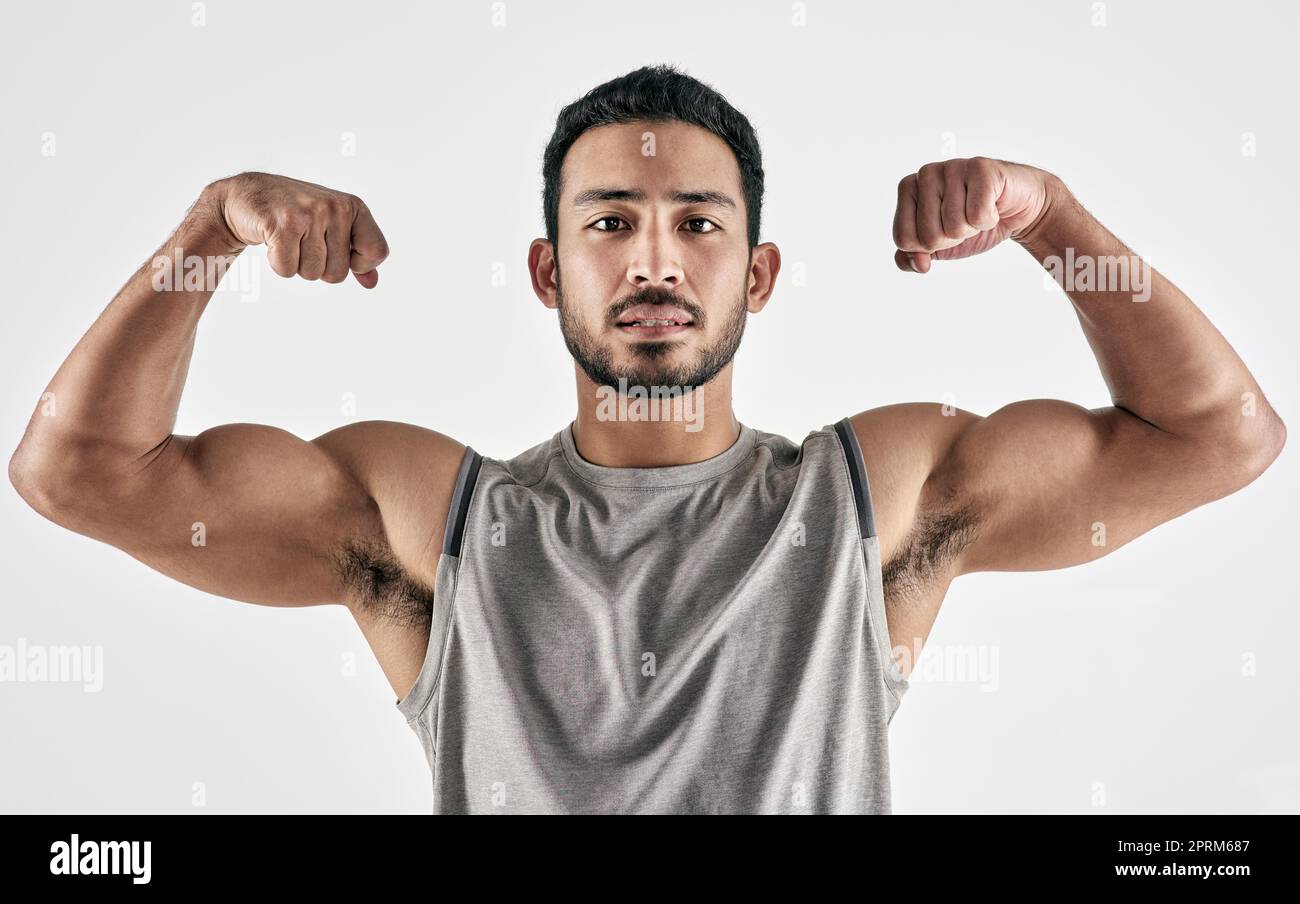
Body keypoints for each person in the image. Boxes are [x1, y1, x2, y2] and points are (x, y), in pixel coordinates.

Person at [9, 64, 1285, 814]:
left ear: (762, 273)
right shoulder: (428, 517)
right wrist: (210, 229)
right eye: (611, 224)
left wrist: (1050, 215)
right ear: (546, 269)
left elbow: (1220, 437)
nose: (657, 260)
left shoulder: (866, 500)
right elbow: (77, 475)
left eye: (700, 223)